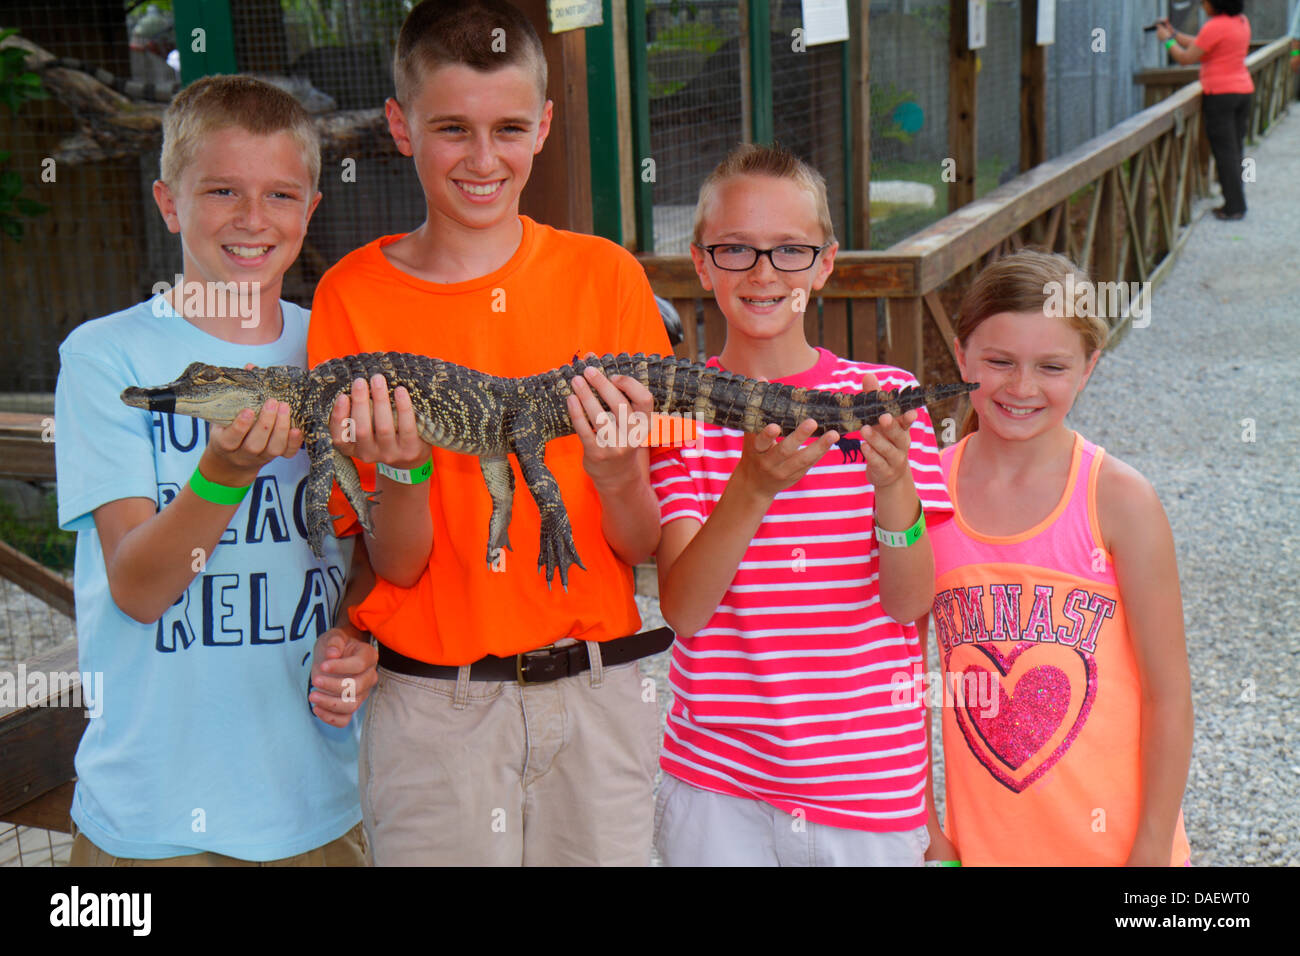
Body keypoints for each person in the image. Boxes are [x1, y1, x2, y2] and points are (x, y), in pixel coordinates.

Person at [306, 0, 672, 866]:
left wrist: (617, 474)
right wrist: (405, 476)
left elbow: (645, 543)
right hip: (436, 714)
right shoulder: (351, 298)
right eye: (451, 129)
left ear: (543, 126)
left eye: (508, 128)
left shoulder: (607, 278)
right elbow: (392, 563)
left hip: (598, 691)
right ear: (400, 126)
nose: (482, 160)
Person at [54, 75, 377, 866]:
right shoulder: (104, 357)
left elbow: (367, 547)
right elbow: (138, 589)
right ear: (169, 203)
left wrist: (356, 634)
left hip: (317, 806)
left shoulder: (337, 348)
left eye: (279, 195)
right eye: (222, 190)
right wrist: (224, 472)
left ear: (310, 209)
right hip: (149, 817)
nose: (252, 218)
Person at [649, 143, 952, 866]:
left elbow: (911, 603)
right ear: (701, 263)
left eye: (790, 250)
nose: (764, 273)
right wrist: (752, 488)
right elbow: (684, 609)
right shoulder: (677, 413)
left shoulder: (886, 396)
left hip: (866, 787)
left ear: (825, 263)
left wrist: (893, 488)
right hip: (718, 786)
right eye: (736, 249)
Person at [926, 249, 1193, 866]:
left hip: (1120, 851)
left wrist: (1152, 846)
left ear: (1088, 367)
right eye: (999, 362)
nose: (1022, 387)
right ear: (962, 356)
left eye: (1051, 366)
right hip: (981, 851)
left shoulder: (1120, 500)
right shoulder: (928, 495)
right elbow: (901, 678)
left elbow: (1169, 696)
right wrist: (926, 829)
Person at [1158, 0, 1253, 220]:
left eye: (1204, 2)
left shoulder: (1214, 26)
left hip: (1220, 95)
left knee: (1224, 152)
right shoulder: (1241, 22)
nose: (1202, 5)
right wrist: (1174, 34)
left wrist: (1166, 41)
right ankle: (1237, 201)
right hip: (1243, 90)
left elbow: (1186, 58)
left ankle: (1234, 207)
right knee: (1235, 149)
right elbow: (1202, 44)